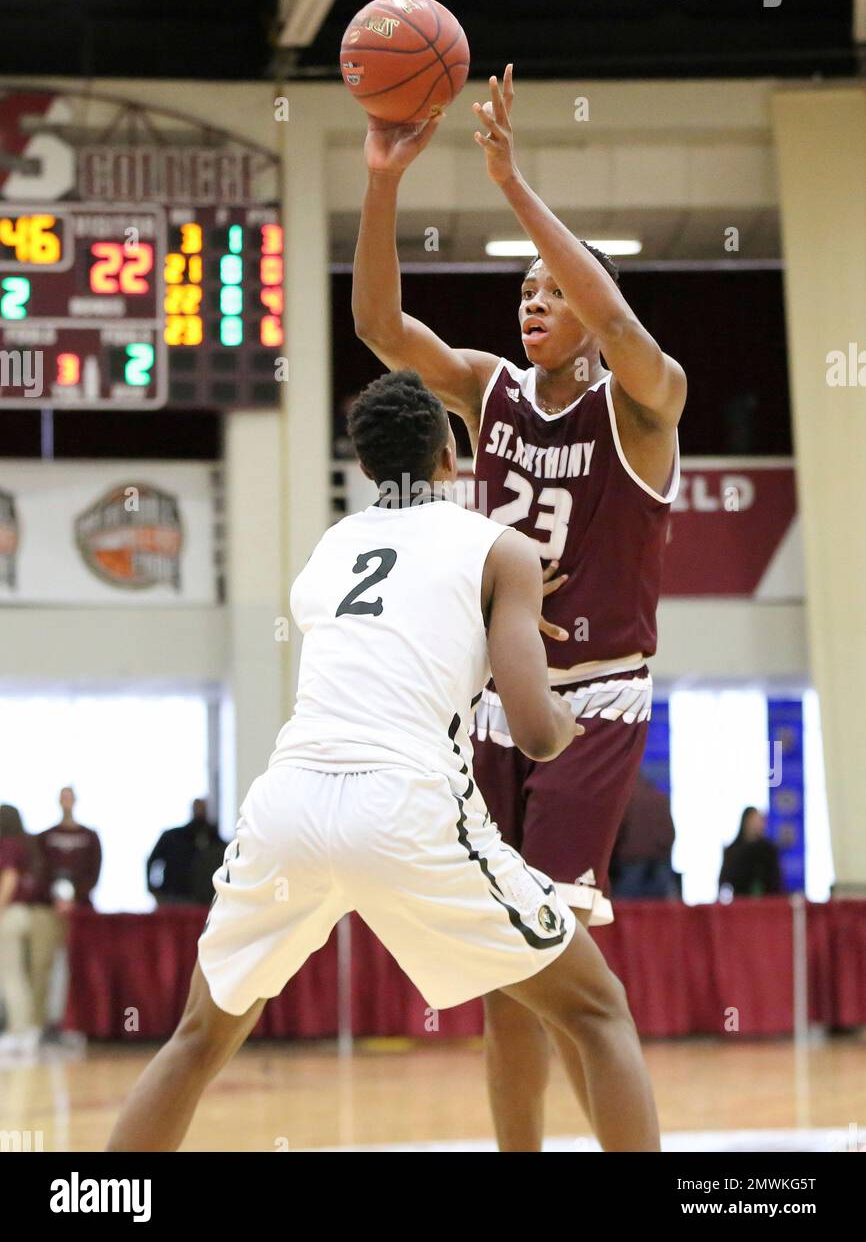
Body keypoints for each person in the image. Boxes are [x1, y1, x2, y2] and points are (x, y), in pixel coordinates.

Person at [107, 371, 659, 1152]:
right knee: (597, 1010)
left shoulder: (331, 549)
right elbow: (534, 733)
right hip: (403, 801)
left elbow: (398, 632)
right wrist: (567, 710)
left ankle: (96, 1206)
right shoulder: (501, 547)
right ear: (450, 455)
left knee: (197, 1039)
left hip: (288, 804)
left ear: (367, 467)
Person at [351, 65, 685, 1150]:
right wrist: (380, 181)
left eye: (553, 289)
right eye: (523, 290)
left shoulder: (645, 404)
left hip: (588, 706)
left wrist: (510, 180)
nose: (533, 301)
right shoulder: (488, 387)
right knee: (505, 965)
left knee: (549, 952)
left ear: (588, 314)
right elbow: (377, 326)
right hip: (491, 705)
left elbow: (616, 310)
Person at [32, 786, 102, 1039]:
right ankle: (36, 1026)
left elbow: (94, 872)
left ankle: (77, 1024)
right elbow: (39, 871)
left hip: (81, 914)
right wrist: (55, 899)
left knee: (80, 968)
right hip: (49, 911)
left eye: (70, 796)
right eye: (63, 797)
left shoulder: (90, 836)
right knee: (42, 966)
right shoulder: (45, 837)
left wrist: (75, 899)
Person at [0, 804, 40, 1056]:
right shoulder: (25, 845)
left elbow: (9, 878)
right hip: (22, 913)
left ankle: (20, 1031)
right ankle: (23, 1030)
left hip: (9, 914)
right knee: (16, 973)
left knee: (10, 974)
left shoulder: (7, 845)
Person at [610, 773, 677, 900]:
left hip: (630, 864)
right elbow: (670, 834)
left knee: (626, 912)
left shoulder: (624, 799)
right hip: (659, 865)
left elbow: (616, 833)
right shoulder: (659, 796)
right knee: (661, 914)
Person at [147, 800, 227, 906]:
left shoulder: (218, 843)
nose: (200, 812)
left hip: (207, 902)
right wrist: (153, 890)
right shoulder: (172, 838)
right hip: (175, 900)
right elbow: (152, 861)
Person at [719, 807, 783, 898]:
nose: (759, 825)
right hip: (740, 903)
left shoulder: (769, 850)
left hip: (766, 903)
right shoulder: (733, 851)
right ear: (746, 822)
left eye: (761, 821)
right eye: (754, 821)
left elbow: (777, 882)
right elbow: (725, 883)